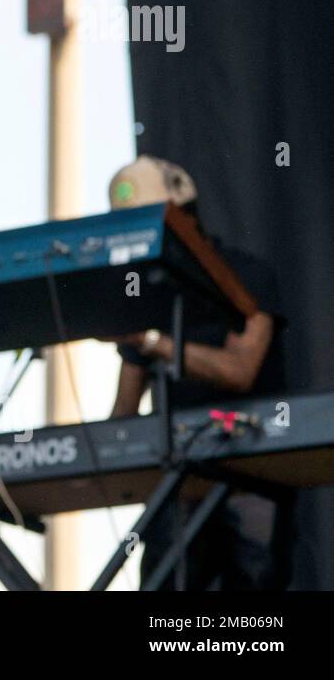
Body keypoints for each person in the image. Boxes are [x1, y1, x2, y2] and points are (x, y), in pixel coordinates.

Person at [107, 155, 292, 590]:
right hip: (179, 484)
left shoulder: (246, 275)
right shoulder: (145, 295)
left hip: (253, 474)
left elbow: (241, 371)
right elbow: (122, 417)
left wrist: (155, 342)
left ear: (184, 213)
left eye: (154, 221)